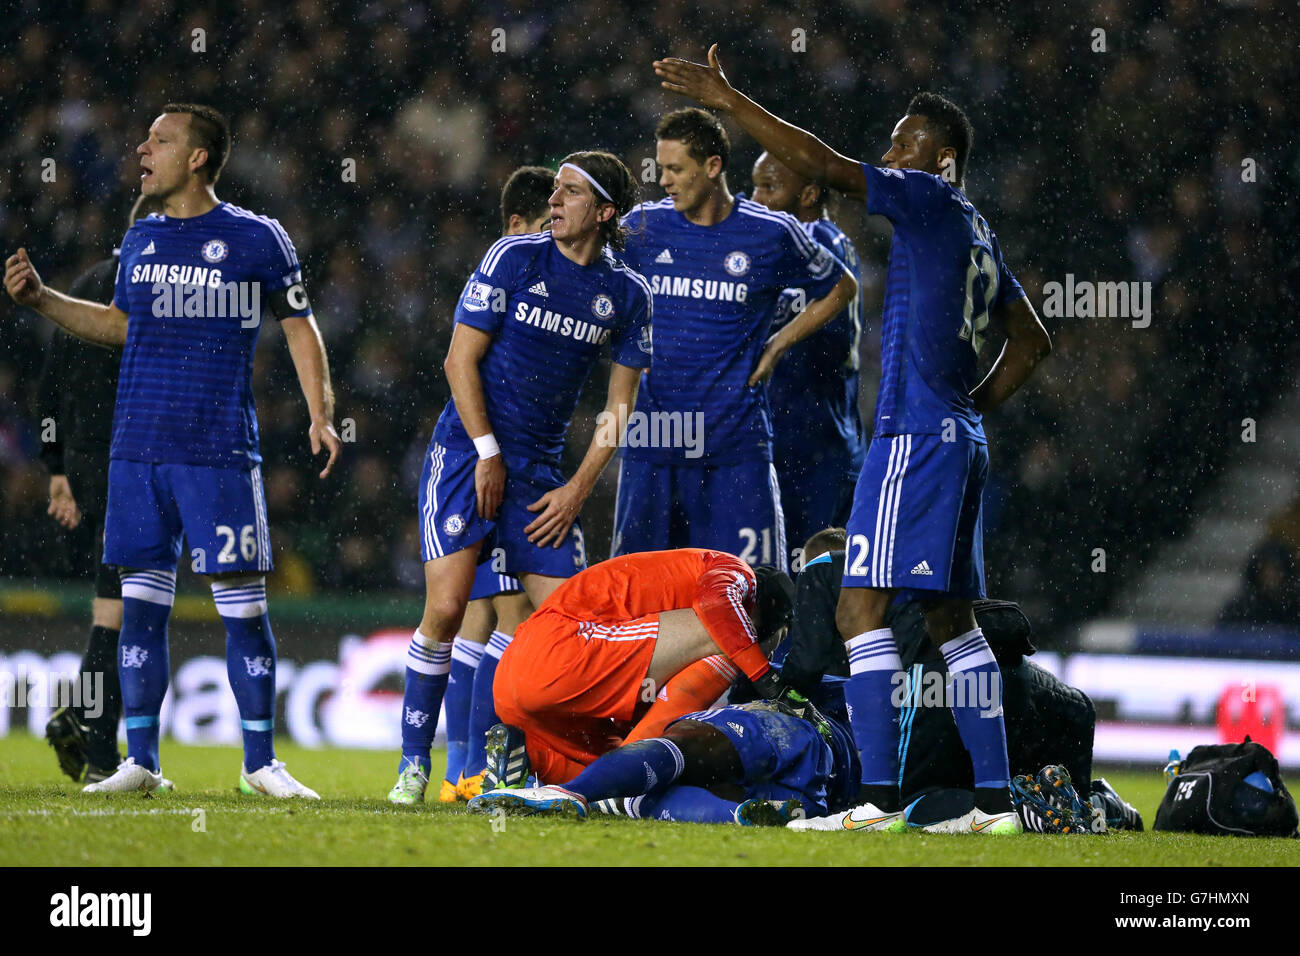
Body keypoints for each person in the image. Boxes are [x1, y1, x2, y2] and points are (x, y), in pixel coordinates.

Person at [656, 47, 1053, 834]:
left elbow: (829, 167)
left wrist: (729, 99)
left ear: (941, 159)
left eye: (903, 143)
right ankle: (998, 806)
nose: (889, 155)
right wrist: (967, 406)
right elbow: (1033, 339)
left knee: (856, 609)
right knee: (952, 623)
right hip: (956, 438)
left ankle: (875, 802)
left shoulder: (931, 199)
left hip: (912, 437)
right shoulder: (979, 231)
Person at [5, 104, 341, 797]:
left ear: (196, 157)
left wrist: (321, 412)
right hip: (137, 453)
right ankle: (141, 761)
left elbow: (300, 327)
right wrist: (42, 301)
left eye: (159, 140)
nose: (141, 149)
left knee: (243, 608)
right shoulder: (144, 240)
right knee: (141, 608)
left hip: (217, 452)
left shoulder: (257, 238)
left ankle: (259, 765)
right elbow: (120, 325)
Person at [388, 152, 653, 805]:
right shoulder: (514, 257)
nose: (554, 201)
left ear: (605, 211)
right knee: (448, 610)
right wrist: (485, 451)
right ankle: (414, 766)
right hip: (464, 454)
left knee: (568, 618)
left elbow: (621, 407)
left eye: (570, 192)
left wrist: (578, 487)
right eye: (555, 191)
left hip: (538, 473)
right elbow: (459, 360)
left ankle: (511, 760)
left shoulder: (627, 293)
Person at [610, 108, 858, 572]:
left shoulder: (770, 232)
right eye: (661, 168)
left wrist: (779, 343)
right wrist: (626, 342)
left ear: (713, 166)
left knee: (756, 592)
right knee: (637, 590)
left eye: (675, 169)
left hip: (735, 441)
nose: (663, 180)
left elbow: (842, 287)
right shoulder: (642, 227)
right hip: (655, 436)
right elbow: (594, 283)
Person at [778, 529, 1140, 833]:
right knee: (985, 781)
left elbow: (807, 663)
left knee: (909, 803)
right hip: (1015, 673)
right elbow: (1079, 709)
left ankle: (1027, 809)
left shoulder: (827, 571)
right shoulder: (913, 556)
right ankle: (1097, 805)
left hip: (935, 676)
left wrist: (775, 689)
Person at [485, 548, 795, 787]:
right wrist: (766, 678)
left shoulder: (680, 619)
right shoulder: (737, 572)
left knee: (596, 769)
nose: (769, 651)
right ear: (772, 615)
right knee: (728, 642)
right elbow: (717, 605)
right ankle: (633, 774)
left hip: (517, 687)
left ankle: (527, 754)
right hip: (560, 654)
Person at [40, 192, 165, 784]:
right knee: (120, 614)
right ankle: (96, 748)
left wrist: (57, 471)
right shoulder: (150, 291)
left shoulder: (83, 284)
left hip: (87, 468)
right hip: (127, 466)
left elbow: (49, 386)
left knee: (107, 606)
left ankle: (85, 726)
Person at [442, 165, 555, 804]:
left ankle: (464, 768)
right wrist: (488, 448)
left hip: (503, 462)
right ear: (518, 226)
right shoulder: (511, 271)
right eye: (546, 224)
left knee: (480, 616)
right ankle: (481, 764)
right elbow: (466, 365)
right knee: (510, 612)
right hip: (493, 466)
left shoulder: (522, 279)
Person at [469, 696, 859, 825]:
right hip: (828, 789)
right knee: (663, 788)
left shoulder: (821, 628)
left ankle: (565, 792)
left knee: (684, 749)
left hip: (794, 723)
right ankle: (743, 814)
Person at [749, 152, 865, 569]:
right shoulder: (803, 243)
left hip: (815, 437)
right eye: (755, 186)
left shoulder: (820, 242)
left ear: (809, 193)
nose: (756, 199)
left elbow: (827, 339)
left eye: (770, 187)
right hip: (802, 435)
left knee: (811, 577)